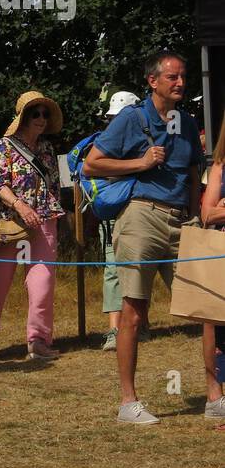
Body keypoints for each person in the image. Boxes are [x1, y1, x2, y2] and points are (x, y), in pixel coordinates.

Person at [83, 50, 207, 424]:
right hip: (140, 216)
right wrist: (140, 162)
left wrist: (197, 219)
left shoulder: (186, 122)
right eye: (173, 77)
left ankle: (215, 395)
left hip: (181, 223)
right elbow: (92, 163)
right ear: (152, 81)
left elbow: (190, 174)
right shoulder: (130, 119)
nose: (181, 82)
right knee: (134, 313)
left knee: (207, 309)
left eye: (183, 76)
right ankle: (128, 403)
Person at [0, 91, 66, 365]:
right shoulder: (1, 147)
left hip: (44, 220)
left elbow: (53, 185)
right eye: (35, 113)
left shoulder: (47, 149)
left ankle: (38, 341)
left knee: (43, 283)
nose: (41, 119)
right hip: (7, 222)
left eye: (45, 114)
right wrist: (20, 206)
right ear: (23, 117)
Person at [94, 91, 142, 350]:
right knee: (113, 269)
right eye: (114, 118)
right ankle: (114, 329)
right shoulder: (104, 143)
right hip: (113, 213)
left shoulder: (145, 138)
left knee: (140, 269)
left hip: (140, 212)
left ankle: (136, 324)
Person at [193, 111, 225, 424]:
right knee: (212, 322)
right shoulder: (219, 165)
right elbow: (206, 214)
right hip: (221, 254)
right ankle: (214, 395)